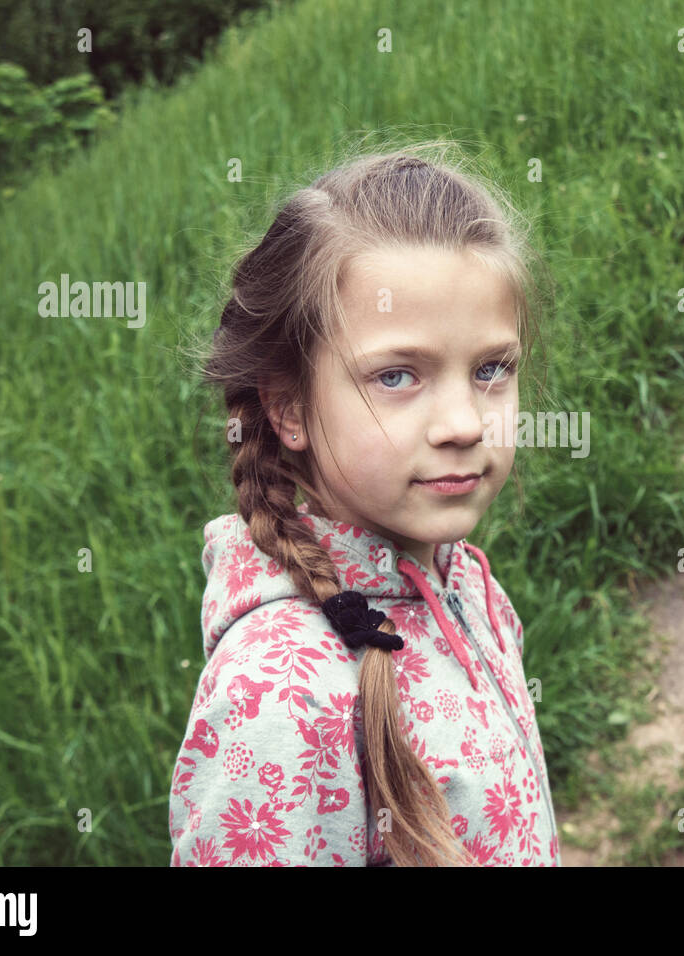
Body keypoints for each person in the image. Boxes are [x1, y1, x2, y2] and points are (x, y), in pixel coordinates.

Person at [168, 142, 561, 866]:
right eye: (397, 376)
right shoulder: (277, 702)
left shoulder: (464, 584)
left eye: (490, 370)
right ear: (288, 408)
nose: (464, 424)